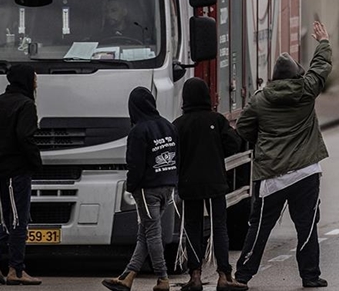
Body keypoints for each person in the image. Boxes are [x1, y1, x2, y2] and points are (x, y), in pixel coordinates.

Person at [234, 21, 332, 289]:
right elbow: (320, 69)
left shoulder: (259, 100)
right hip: (305, 173)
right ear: (296, 75)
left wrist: (263, 141)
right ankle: (310, 276)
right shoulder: (306, 91)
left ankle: (242, 276)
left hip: (272, 176)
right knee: (307, 226)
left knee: (259, 227)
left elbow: (243, 128)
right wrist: (323, 42)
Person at [173, 78, 248, 291]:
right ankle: (224, 276)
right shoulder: (217, 120)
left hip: (189, 184)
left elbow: (175, 155)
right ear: (207, 95)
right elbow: (233, 145)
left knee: (192, 228)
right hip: (215, 181)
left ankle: (195, 276)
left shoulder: (178, 125)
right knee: (219, 228)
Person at [102, 87, 178, 291]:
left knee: (152, 233)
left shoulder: (138, 130)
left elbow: (135, 163)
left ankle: (163, 278)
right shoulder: (168, 126)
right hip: (168, 186)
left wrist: (132, 186)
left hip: (147, 189)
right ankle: (127, 276)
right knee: (144, 233)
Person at [0, 64, 42, 285]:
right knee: (18, 220)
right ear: (25, 79)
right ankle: (16, 270)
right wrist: (36, 162)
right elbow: (26, 138)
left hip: (0, 170)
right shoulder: (26, 105)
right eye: (34, 77)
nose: (36, 82)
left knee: (9, 218)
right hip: (17, 171)